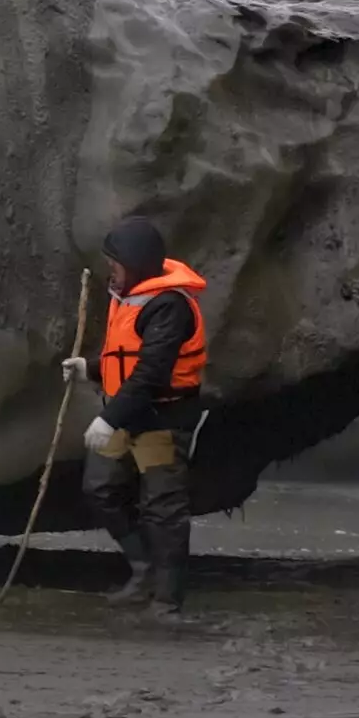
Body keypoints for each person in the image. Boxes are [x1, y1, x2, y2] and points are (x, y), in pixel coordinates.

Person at [59, 216, 209, 614]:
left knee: (164, 508)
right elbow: (124, 358)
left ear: (137, 264)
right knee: (100, 487)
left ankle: (166, 599)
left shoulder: (170, 306)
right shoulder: (129, 295)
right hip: (128, 414)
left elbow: (151, 372)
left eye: (116, 263)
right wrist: (89, 369)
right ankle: (142, 569)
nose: (111, 270)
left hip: (161, 420)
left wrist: (108, 419)